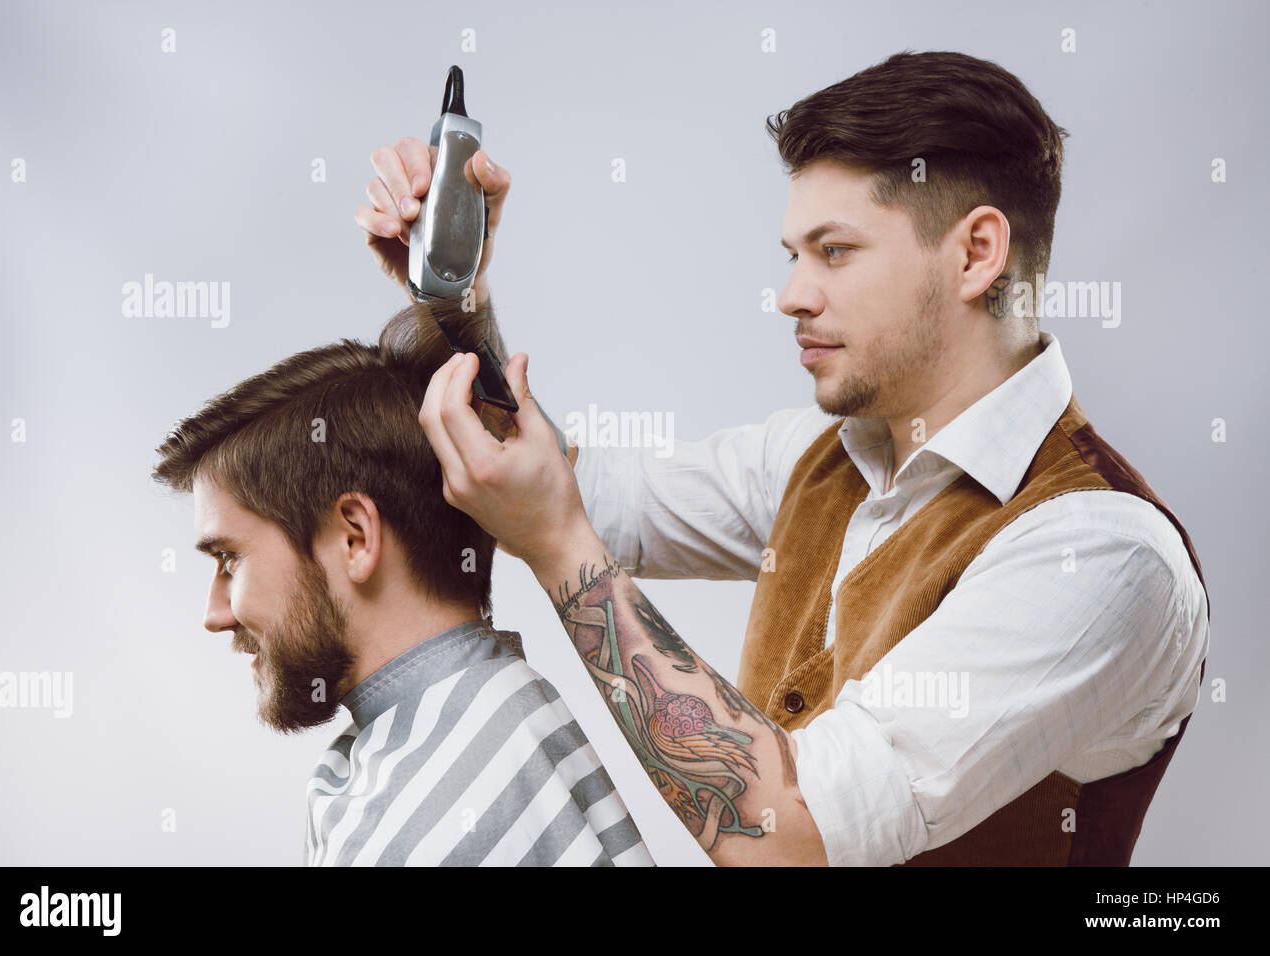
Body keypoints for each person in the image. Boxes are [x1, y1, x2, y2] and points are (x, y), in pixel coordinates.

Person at [358, 50, 1210, 866]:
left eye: (834, 251)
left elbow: (789, 840)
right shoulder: (819, 454)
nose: (791, 296)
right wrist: (456, 304)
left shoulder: (1101, 552)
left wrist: (557, 548)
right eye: (793, 256)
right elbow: (570, 491)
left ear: (976, 253)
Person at [150, 296, 654, 867]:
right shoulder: (504, 710)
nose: (214, 614)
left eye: (229, 558)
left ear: (356, 538)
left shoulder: (424, 832)